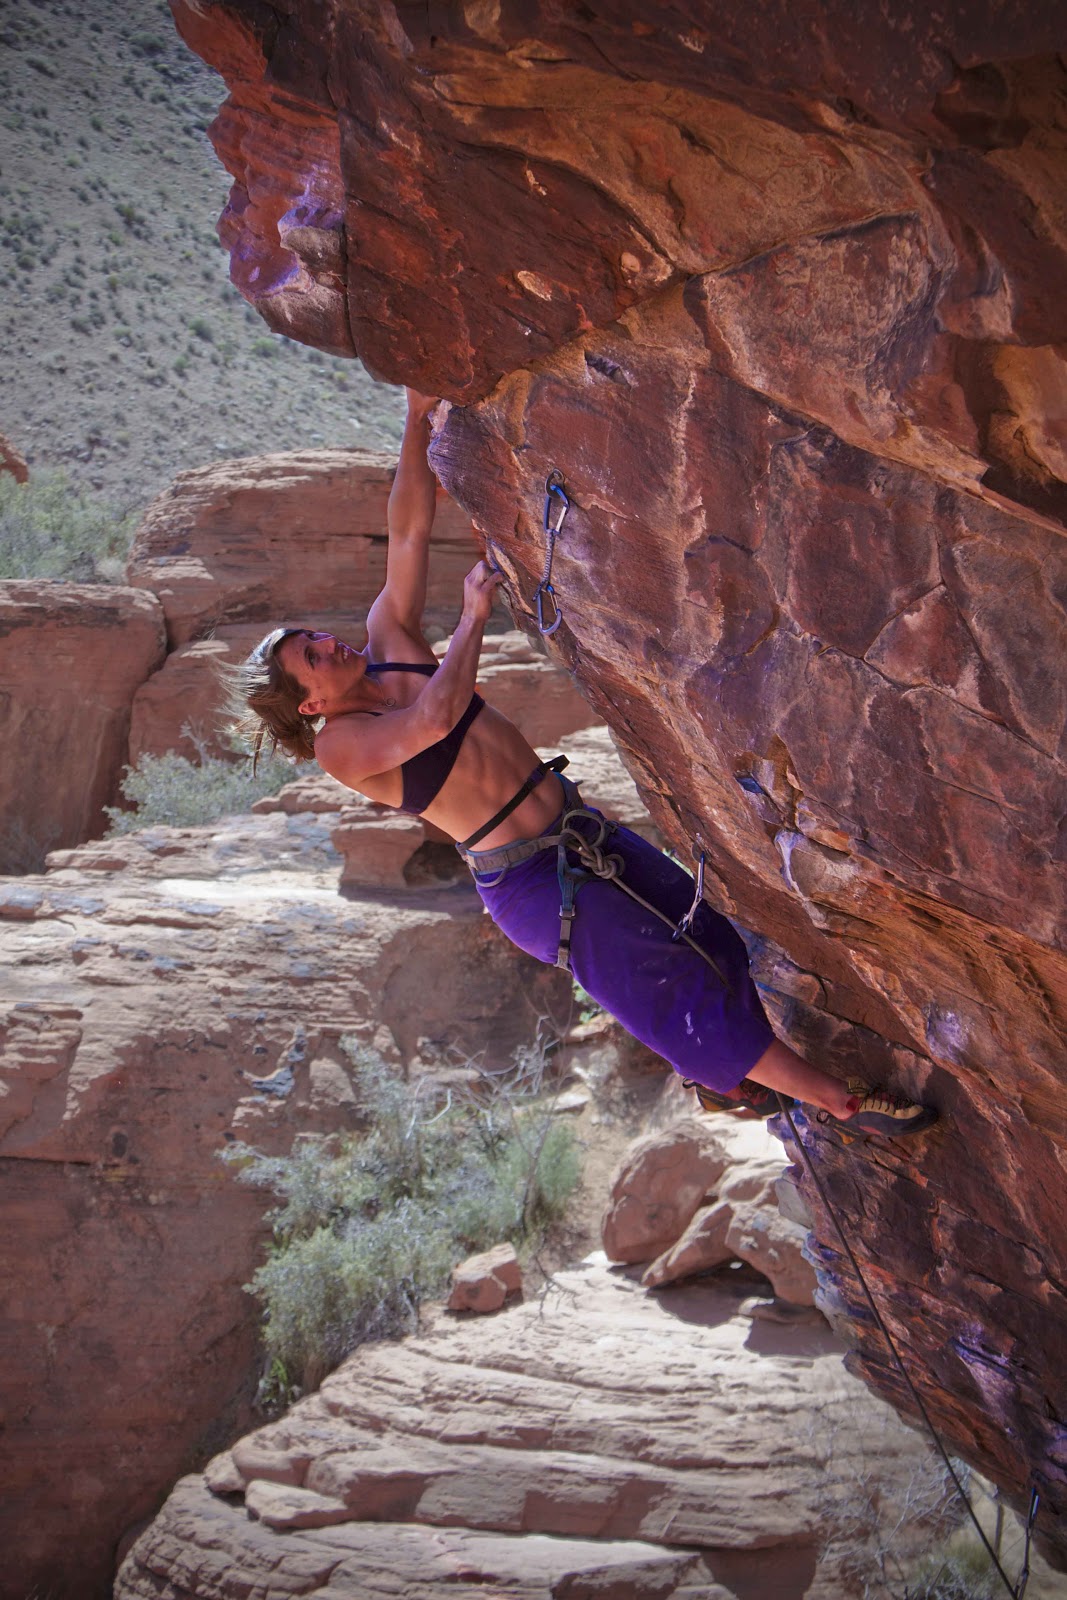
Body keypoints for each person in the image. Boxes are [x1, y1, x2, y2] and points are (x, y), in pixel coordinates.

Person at [230, 389, 936, 1140]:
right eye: (311, 656)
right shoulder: (342, 747)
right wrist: (471, 618)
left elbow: (406, 532)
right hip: (534, 885)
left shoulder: (387, 640)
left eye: (313, 633)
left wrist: (411, 420)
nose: (327, 642)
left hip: (576, 830)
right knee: (674, 989)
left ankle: (729, 1083)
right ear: (308, 704)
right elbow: (433, 718)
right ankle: (840, 1101)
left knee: (712, 937)